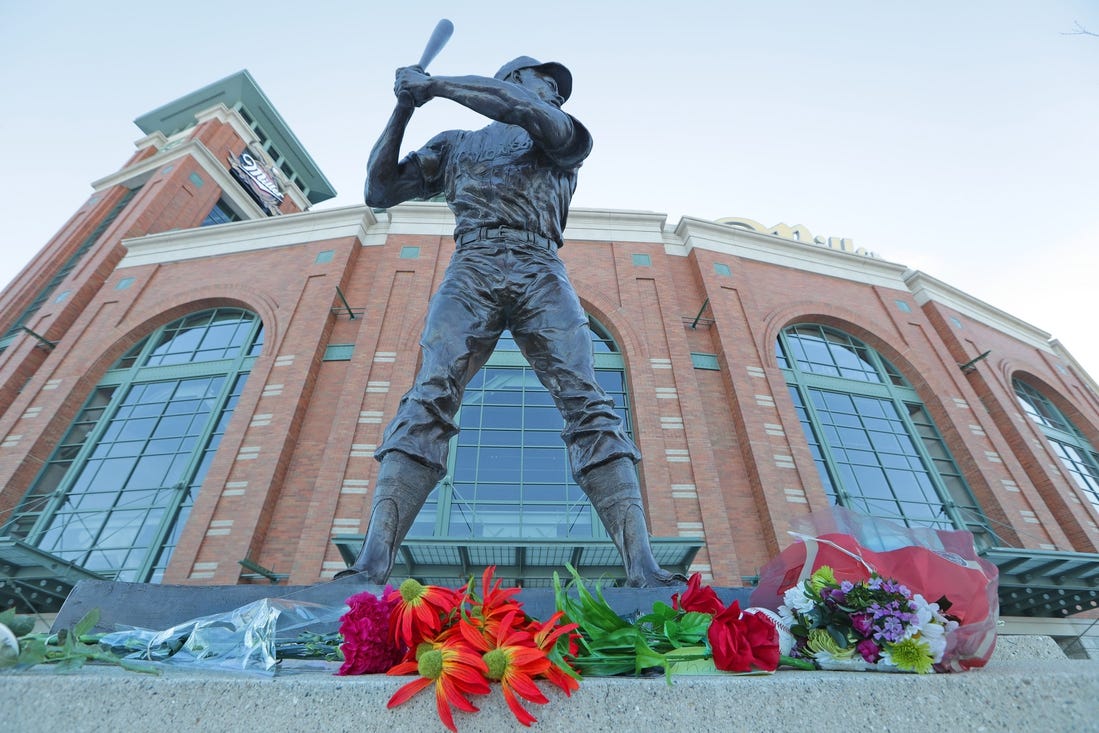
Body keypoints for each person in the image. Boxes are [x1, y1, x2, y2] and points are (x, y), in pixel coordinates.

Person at [338, 56, 681, 587]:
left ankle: (642, 564)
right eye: (547, 80)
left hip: (539, 264)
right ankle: (373, 561)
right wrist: (403, 109)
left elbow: (520, 110)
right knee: (430, 393)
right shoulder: (455, 143)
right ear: (515, 76)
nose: (556, 93)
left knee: (586, 400)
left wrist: (435, 86)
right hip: (471, 263)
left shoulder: (560, 133)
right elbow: (379, 192)